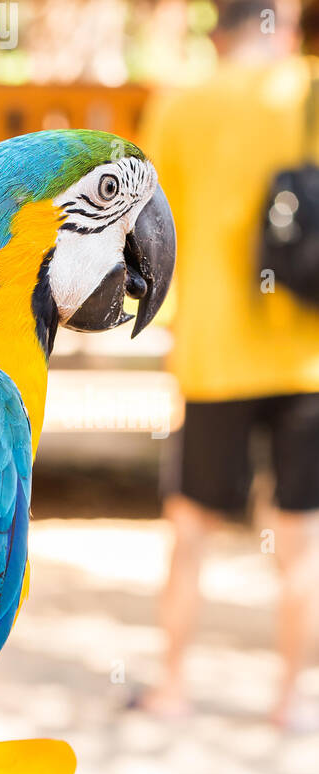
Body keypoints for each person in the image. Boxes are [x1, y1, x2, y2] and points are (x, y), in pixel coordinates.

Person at [140, 0, 319, 729]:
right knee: (301, 537)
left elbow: (153, 229)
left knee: (190, 529)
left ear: (217, 31)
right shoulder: (308, 92)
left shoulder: (182, 106)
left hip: (213, 353)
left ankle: (172, 688)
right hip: (308, 355)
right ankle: (293, 700)